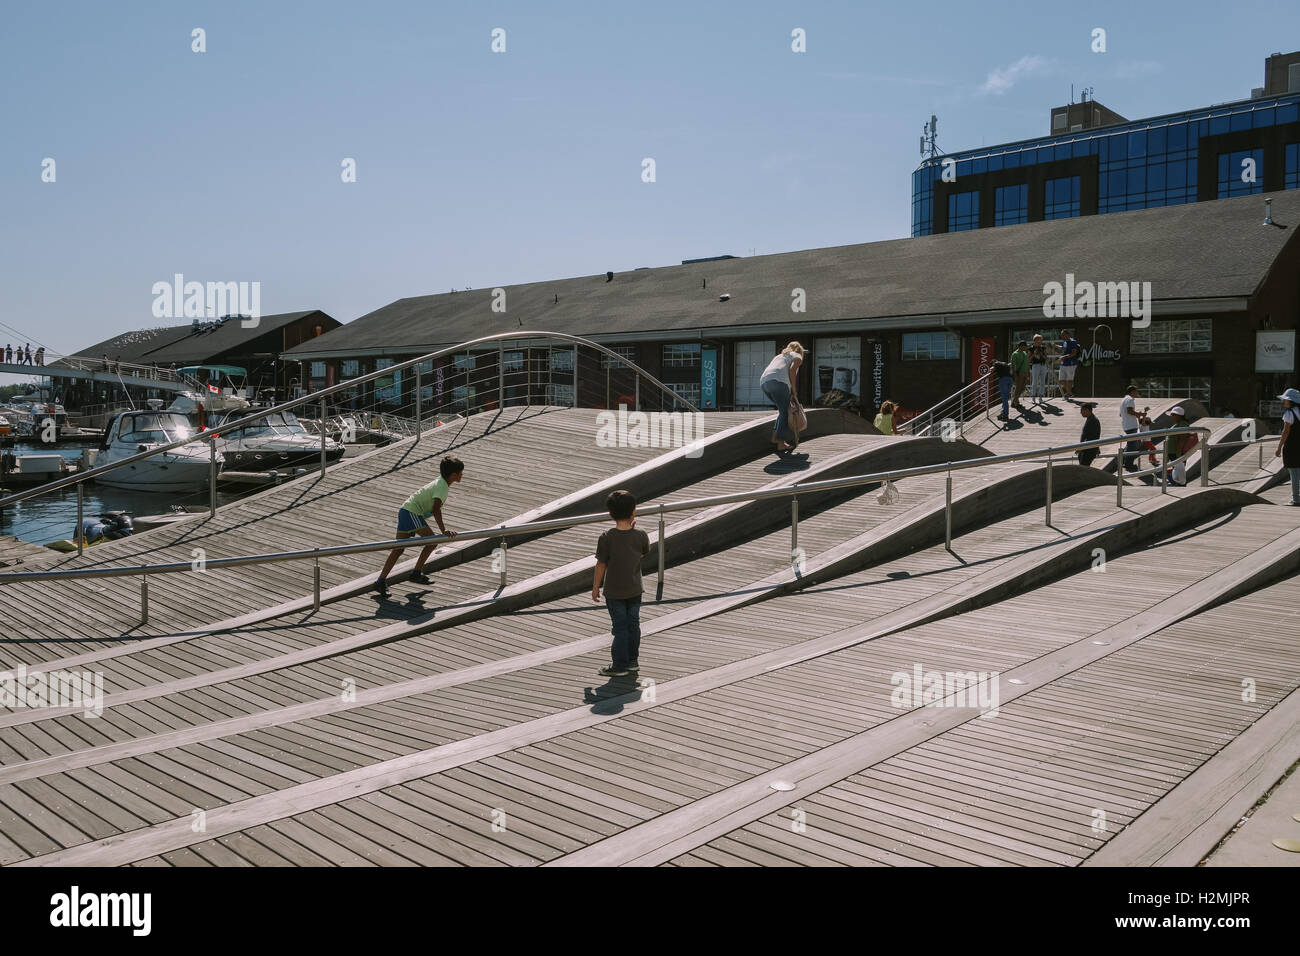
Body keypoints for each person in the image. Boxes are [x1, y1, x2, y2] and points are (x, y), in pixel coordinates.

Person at [375, 455, 463, 595]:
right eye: (460, 473)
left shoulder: (441, 482)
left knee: (398, 549)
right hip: (412, 513)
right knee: (432, 541)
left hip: (405, 510)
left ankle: (380, 581)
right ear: (453, 475)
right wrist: (443, 530)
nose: (462, 475)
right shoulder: (442, 487)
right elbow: (436, 509)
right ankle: (416, 572)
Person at [591, 489, 651, 678]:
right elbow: (641, 553)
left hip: (614, 591)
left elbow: (601, 564)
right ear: (634, 511)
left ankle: (619, 665)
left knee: (620, 628)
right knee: (633, 624)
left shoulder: (606, 537)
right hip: (635, 589)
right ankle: (633, 661)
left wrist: (595, 587)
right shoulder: (640, 535)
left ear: (610, 514)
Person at [759, 341, 804, 454]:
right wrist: (794, 390)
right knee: (785, 412)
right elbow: (792, 371)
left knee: (783, 411)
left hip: (764, 382)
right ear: (799, 351)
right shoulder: (797, 356)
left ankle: (775, 437)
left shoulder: (780, 356)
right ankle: (781, 443)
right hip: (779, 382)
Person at [1275, 388, 1300, 506]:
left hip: (1292, 446)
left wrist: (1279, 447)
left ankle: (1296, 499)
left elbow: (1285, 432)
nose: (1284, 401)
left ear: (1291, 401)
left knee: (1294, 473)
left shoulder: (1289, 413)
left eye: (1285, 399)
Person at [1119, 385, 1149, 477]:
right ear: (1132, 392)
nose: (1137, 393)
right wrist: (1139, 414)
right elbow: (1129, 411)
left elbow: (1121, 414)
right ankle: (1128, 464)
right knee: (1133, 445)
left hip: (1126, 425)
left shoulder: (1124, 400)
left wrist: (1136, 414)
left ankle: (1123, 461)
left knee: (1130, 444)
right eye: (1136, 391)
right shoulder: (1130, 400)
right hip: (1131, 426)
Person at [1164, 405, 1197, 486]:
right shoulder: (1179, 424)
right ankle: (1177, 484)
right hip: (1173, 452)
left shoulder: (1183, 424)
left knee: (1178, 472)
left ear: (1179, 416)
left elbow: (1182, 439)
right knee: (1176, 471)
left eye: (1173, 415)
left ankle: (1179, 485)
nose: (1172, 417)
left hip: (1177, 453)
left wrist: (1178, 454)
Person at [1056, 329, 1081, 401]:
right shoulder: (1065, 342)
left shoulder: (1073, 342)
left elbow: (1074, 353)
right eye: (1061, 335)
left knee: (1069, 380)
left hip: (1071, 363)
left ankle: (1067, 394)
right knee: (1061, 380)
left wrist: (1064, 357)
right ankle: (1069, 392)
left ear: (1068, 335)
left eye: (1063, 334)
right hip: (1063, 363)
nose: (1062, 336)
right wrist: (1055, 346)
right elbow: (1063, 348)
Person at [1028, 335, 1050, 403]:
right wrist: (1034, 354)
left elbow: (1046, 358)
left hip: (1043, 365)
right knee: (1035, 382)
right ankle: (1033, 397)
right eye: (1039, 340)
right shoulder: (1031, 348)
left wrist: (1041, 354)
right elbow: (1029, 359)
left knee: (1042, 382)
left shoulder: (1043, 348)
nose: (1041, 341)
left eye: (1041, 340)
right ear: (1035, 340)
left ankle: (1040, 398)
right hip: (1035, 365)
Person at [993, 356, 1014, 422]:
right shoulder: (1005, 363)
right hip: (1010, 379)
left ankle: (1005, 414)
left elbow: (991, 369)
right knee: (1006, 397)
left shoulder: (996, 364)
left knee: (1004, 398)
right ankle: (1003, 412)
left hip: (1003, 380)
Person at [1010, 341, 1030, 408]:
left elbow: (1027, 364)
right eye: (1025, 346)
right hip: (1019, 374)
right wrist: (1015, 375)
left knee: (1023, 388)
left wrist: (1028, 374)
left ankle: (1015, 400)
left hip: (1025, 373)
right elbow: (1012, 365)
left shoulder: (1024, 353)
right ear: (1021, 346)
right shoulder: (1015, 354)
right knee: (1018, 388)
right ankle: (1015, 402)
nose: (1026, 347)